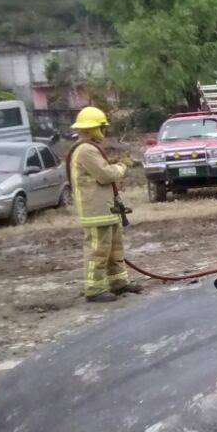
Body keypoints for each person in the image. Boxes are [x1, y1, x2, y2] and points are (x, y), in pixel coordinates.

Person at [67, 106, 141, 303]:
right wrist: (122, 166)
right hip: (95, 210)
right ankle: (95, 289)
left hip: (106, 208)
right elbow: (105, 174)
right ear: (92, 128)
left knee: (115, 249)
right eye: (102, 127)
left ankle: (119, 283)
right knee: (98, 251)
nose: (105, 131)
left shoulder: (90, 149)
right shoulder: (85, 150)